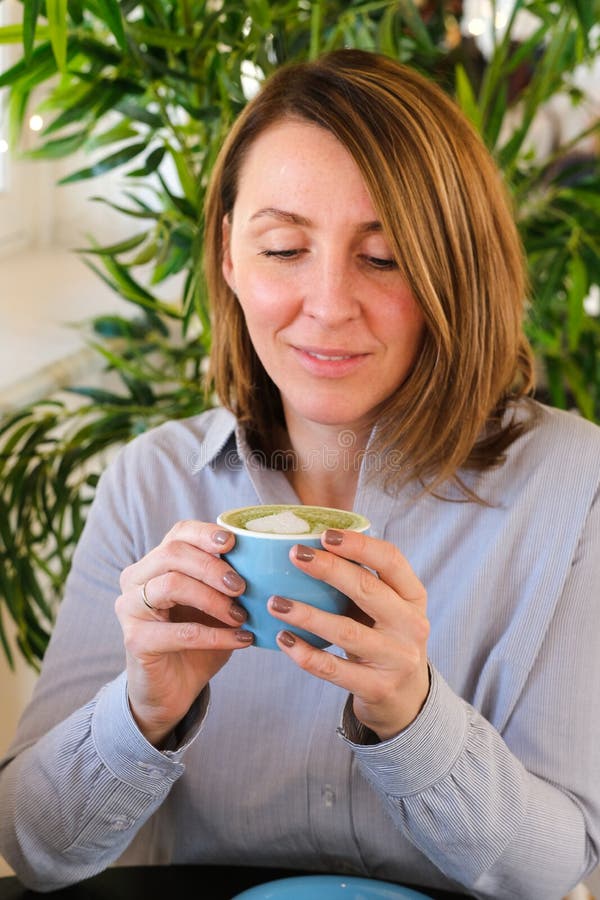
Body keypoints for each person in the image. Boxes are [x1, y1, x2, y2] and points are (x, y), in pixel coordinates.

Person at [1, 48, 599, 900]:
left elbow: (555, 867)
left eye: (384, 258)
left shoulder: (574, 484)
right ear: (232, 257)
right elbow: (35, 848)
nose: (327, 304)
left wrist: (413, 717)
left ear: (454, 273)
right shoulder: (154, 481)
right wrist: (142, 711)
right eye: (284, 247)